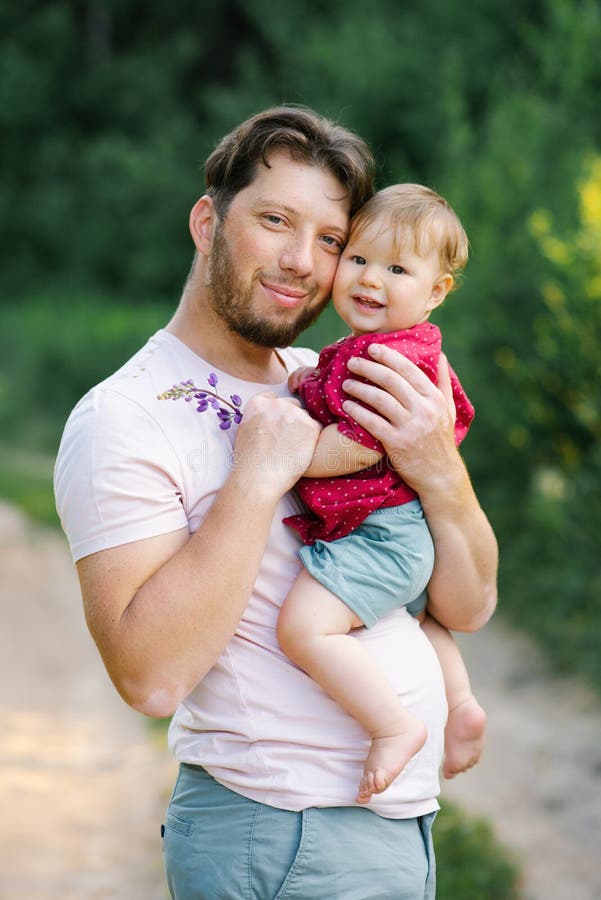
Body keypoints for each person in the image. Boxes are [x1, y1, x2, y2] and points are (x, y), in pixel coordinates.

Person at [54, 107, 497, 899]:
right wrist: (257, 478)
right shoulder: (123, 415)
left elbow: (467, 606)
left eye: (330, 239)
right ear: (206, 222)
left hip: (389, 826)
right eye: (273, 220)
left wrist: (440, 473)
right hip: (280, 831)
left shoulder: (324, 375)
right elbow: (150, 682)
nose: (301, 260)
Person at [277, 183, 487, 807]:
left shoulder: (381, 359)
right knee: (419, 619)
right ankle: (462, 703)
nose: (371, 279)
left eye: (397, 268)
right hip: (404, 526)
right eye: (360, 259)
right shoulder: (410, 350)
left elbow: (364, 443)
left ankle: (395, 726)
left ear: (436, 291)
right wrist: (310, 380)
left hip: (377, 534)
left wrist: (281, 457)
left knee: (304, 630)